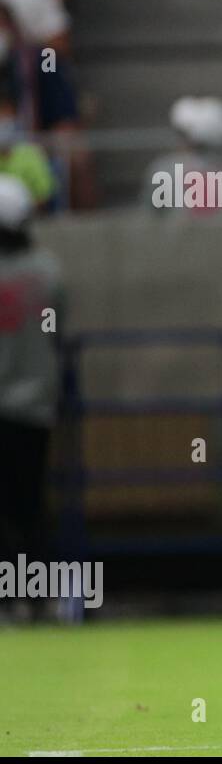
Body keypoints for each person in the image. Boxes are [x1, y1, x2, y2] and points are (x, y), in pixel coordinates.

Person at [0, 174, 62, 621]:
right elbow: (55, 333)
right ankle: (39, 599)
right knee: (31, 506)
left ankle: (8, 601)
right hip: (36, 407)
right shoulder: (49, 272)